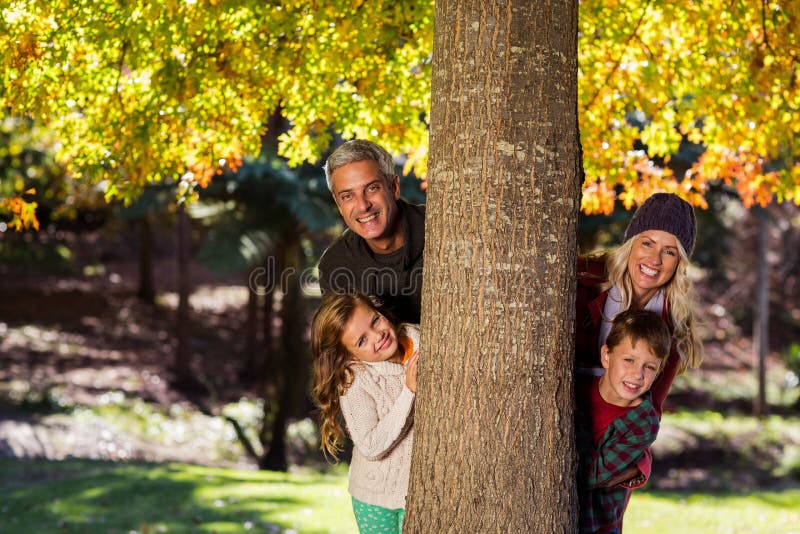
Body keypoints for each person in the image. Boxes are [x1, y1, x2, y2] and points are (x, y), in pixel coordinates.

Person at [574, 192, 704, 489]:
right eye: (647, 243)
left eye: (669, 251)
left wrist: (638, 467)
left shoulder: (671, 332)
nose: (654, 260)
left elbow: (648, 413)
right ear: (631, 243)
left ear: (679, 262)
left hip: (609, 460)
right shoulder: (585, 278)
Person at [311, 292, 420, 534]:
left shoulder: (420, 339)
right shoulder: (355, 380)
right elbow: (370, 445)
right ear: (348, 355)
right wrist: (409, 391)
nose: (377, 335)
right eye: (361, 341)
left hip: (420, 489)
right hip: (375, 498)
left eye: (375, 321)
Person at [575, 309, 672, 533]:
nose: (637, 374)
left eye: (649, 367)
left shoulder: (643, 423)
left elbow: (588, 475)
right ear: (606, 356)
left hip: (598, 526)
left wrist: (576, 414)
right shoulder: (576, 387)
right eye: (629, 360)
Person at [318, 140, 425, 324]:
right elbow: (349, 346)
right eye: (347, 196)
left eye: (372, 188)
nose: (363, 205)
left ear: (394, 188)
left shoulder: (439, 228)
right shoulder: (335, 266)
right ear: (339, 205)